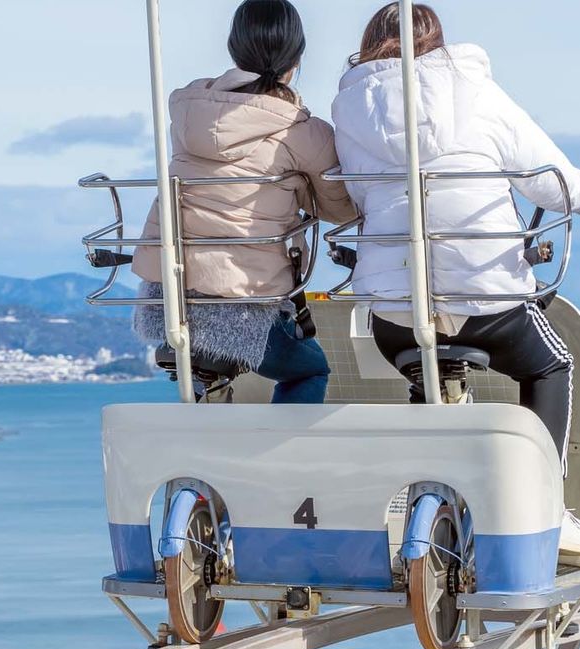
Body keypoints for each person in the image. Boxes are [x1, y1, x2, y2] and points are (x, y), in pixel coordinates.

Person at [332, 3, 580, 468]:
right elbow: (558, 187)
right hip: (487, 302)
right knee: (553, 365)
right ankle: (542, 490)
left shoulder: (350, 108)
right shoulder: (475, 89)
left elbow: (356, 199)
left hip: (395, 314)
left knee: (420, 364)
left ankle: (429, 481)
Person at [132, 0, 357, 404]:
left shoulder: (188, 113)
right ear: (296, 58)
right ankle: (283, 448)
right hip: (244, 309)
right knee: (310, 368)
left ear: (234, 48)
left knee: (202, 368)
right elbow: (341, 209)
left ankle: (210, 409)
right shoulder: (302, 132)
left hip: (169, 303)